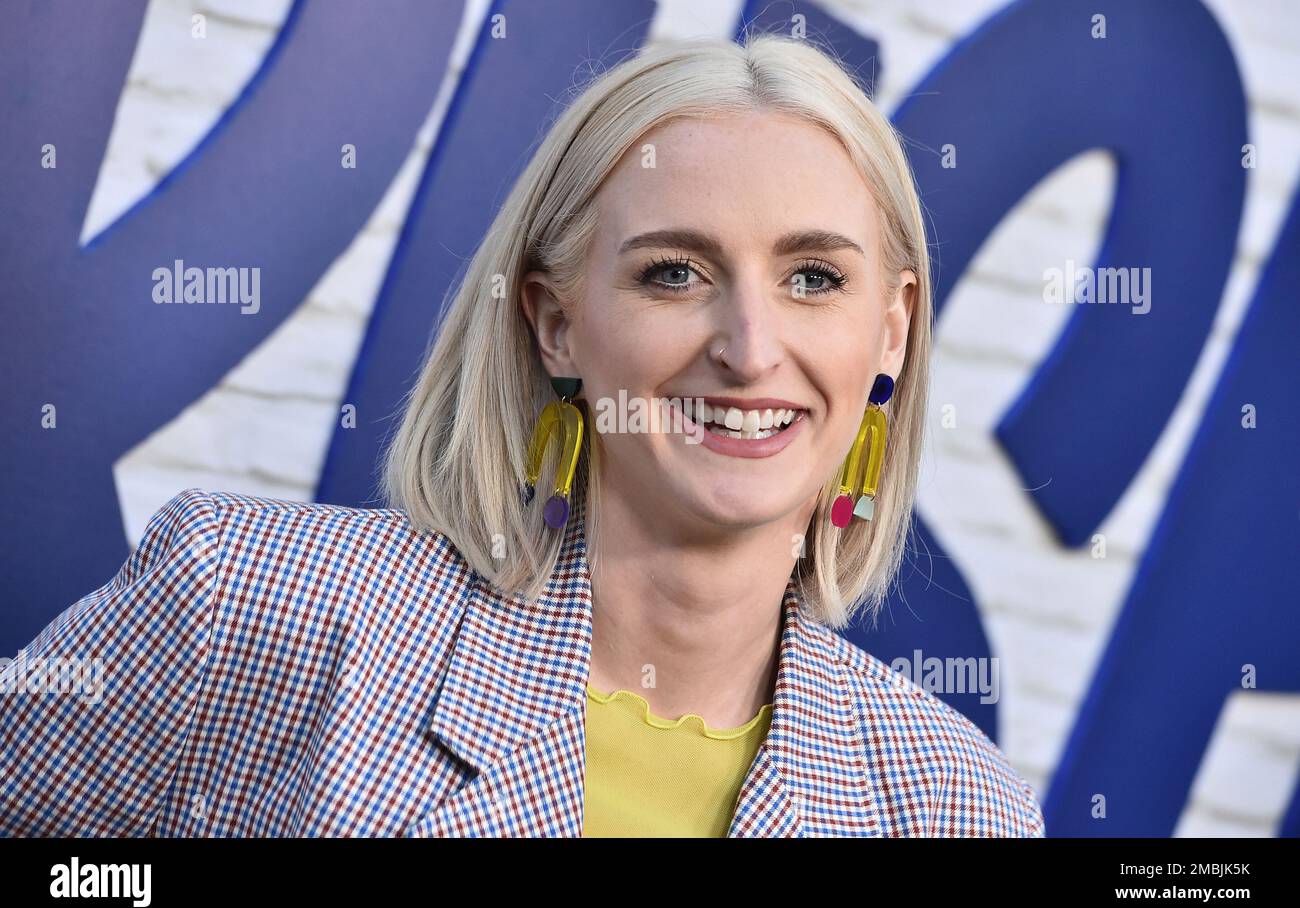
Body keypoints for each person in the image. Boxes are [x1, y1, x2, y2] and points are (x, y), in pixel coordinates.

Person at [0, 34, 1044, 837]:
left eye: (813, 279)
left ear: (891, 331)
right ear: (554, 323)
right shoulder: (253, 604)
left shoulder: (958, 806)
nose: (750, 347)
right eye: (673, 272)